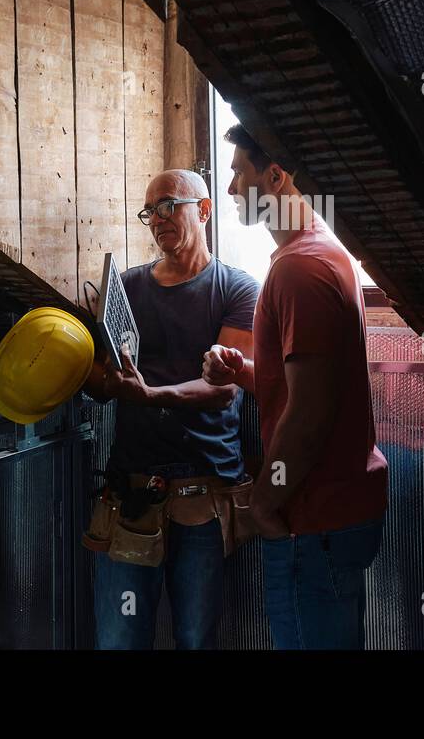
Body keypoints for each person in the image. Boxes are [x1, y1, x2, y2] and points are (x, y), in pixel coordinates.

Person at [201, 125, 388, 649]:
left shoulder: (300, 270)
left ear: (276, 176)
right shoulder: (317, 254)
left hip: (313, 516)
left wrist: (263, 504)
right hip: (334, 512)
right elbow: (301, 386)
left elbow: (307, 415)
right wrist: (240, 372)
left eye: (239, 171)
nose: (232, 187)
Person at [84, 168, 259, 649]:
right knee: (119, 640)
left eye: (168, 205)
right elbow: (101, 381)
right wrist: (91, 373)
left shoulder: (238, 289)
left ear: (203, 210)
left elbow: (225, 389)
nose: (157, 218)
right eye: (149, 212)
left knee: (196, 639)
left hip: (204, 495)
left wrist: (152, 395)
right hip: (131, 492)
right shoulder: (127, 288)